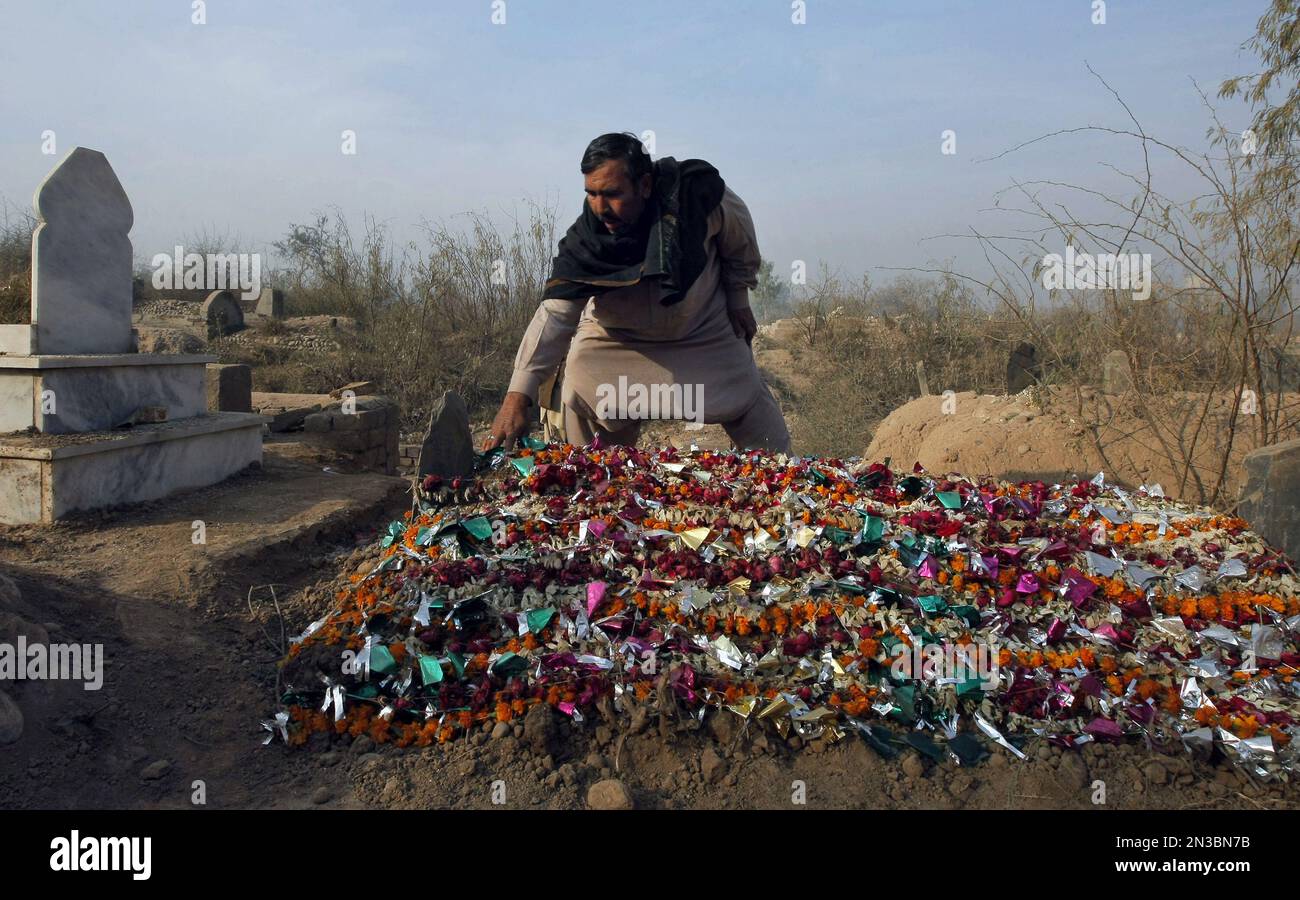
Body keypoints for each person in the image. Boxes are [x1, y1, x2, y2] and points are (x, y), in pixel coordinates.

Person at [484, 132, 790, 453]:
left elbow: (738, 242)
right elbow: (555, 316)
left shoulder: (697, 195)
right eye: (591, 194)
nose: (600, 208)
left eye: (613, 194)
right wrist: (517, 396)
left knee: (751, 403)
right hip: (616, 342)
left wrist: (738, 297)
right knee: (581, 388)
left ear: (644, 185)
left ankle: (792, 486)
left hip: (702, 334)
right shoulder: (585, 241)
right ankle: (598, 485)